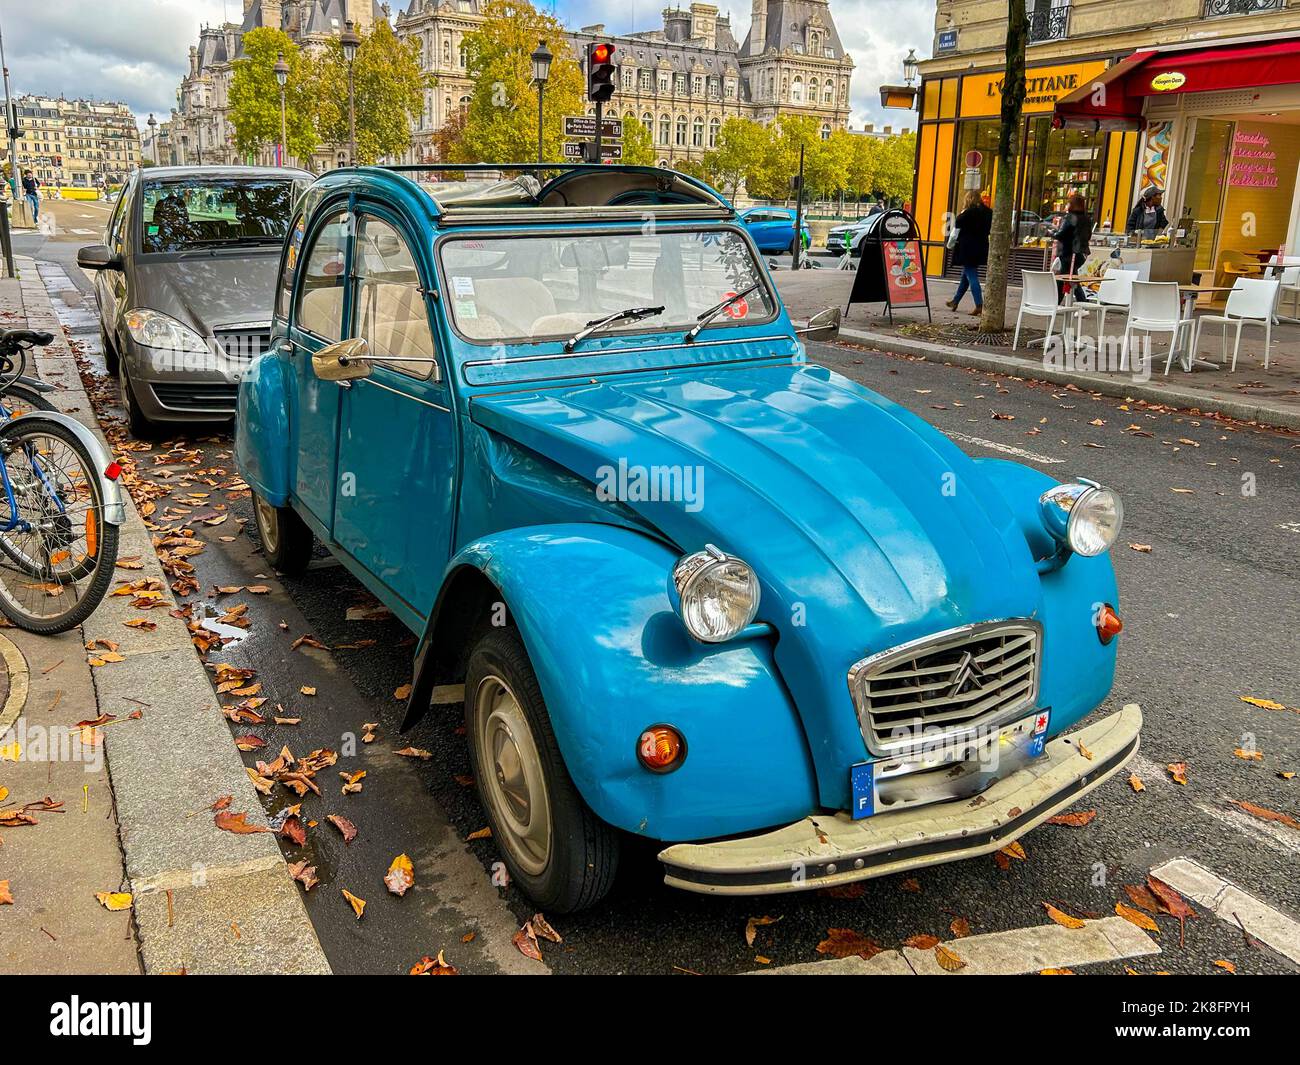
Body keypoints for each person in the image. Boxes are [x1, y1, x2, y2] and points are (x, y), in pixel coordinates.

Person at [946, 190, 993, 315]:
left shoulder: (966, 213)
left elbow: (956, 230)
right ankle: (955, 301)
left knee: (971, 276)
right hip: (981, 247)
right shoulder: (988, 213)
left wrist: (950, 245)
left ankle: (979, 304)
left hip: (967, 248)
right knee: (966, 275)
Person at [1052, 193, 1093, 303]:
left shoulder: (1070, 217)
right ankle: (1057, 302)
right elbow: (1088, 235)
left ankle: (1080, 302)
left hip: (1069, 253)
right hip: (1081, 253)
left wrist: (1052, 232)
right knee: (1069, 277)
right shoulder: (1087, 219)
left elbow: (1061, 234)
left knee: (1067, 278)